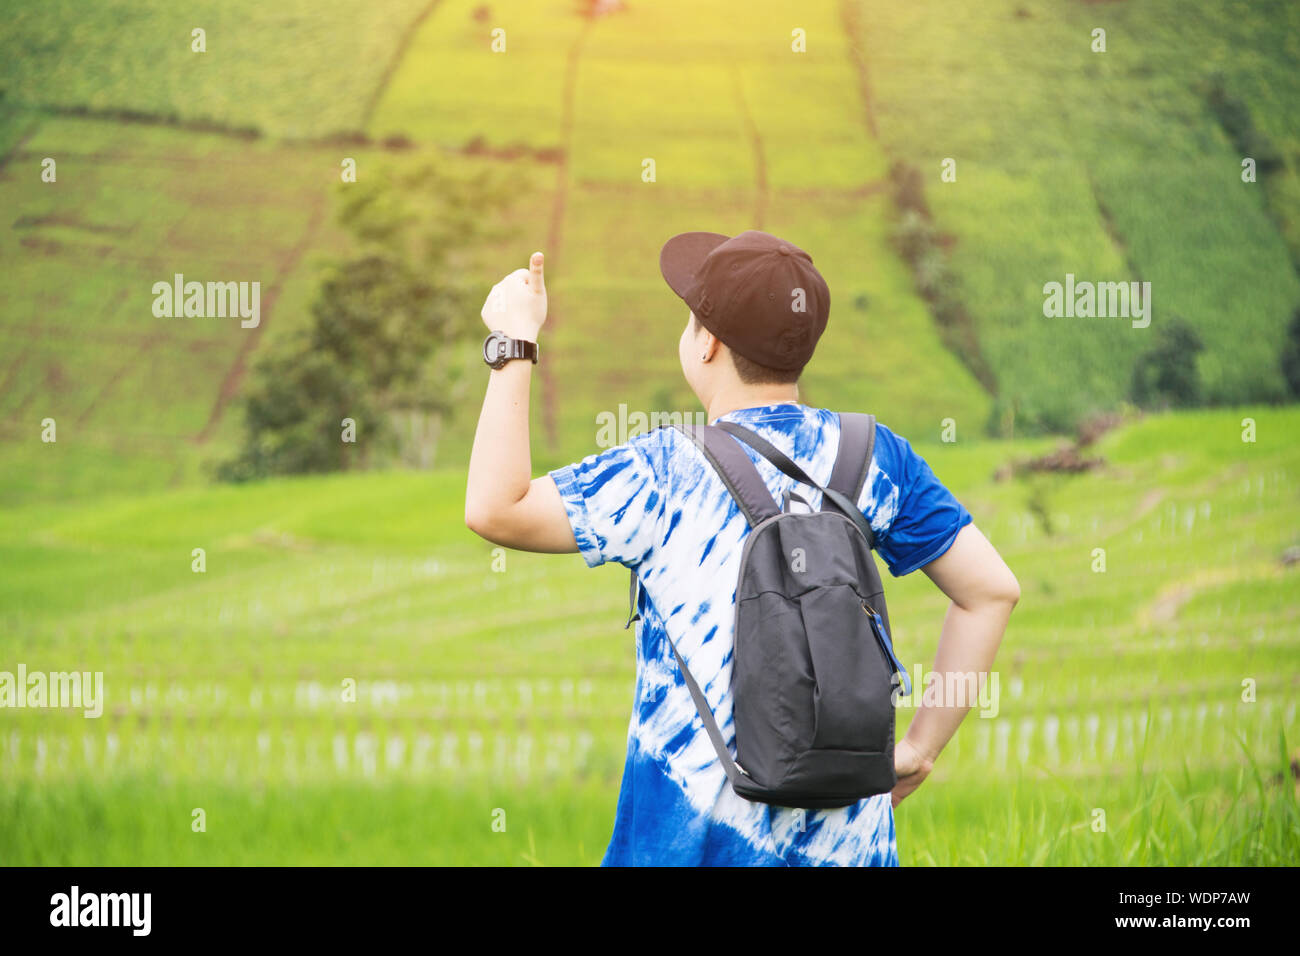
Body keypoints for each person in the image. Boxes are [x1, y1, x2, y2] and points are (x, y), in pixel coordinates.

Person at [465, 230, 1020, 866]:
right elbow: (991, 591)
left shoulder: (664, 471)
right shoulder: (876, 456)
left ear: (707, 342)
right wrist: (921, 747)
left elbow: (494, 508)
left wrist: (516, 342)